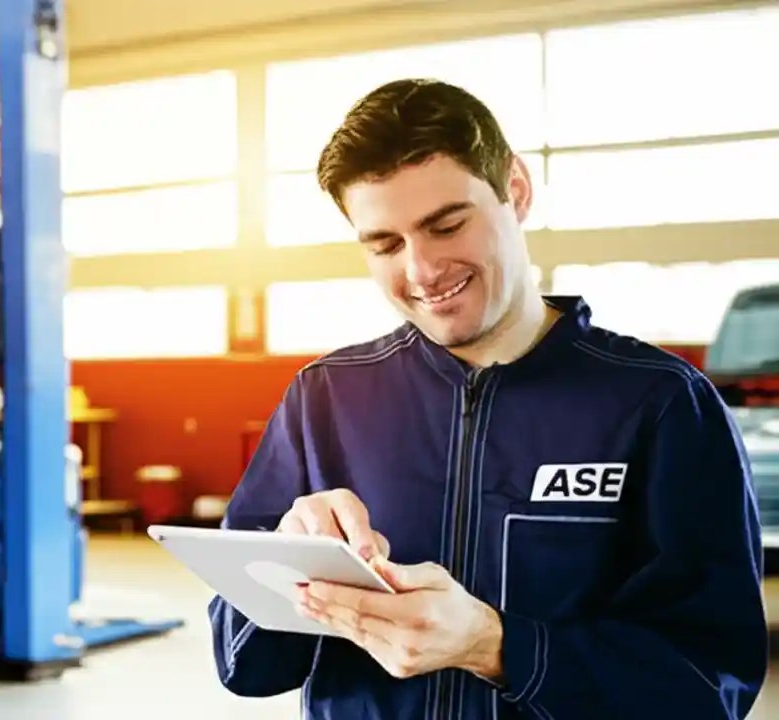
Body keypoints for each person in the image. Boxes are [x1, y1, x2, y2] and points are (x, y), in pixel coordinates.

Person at [208, 78, 768, 719]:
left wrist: (497, 647)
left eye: (445, 225)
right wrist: (286, 561)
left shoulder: (661, 404)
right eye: (385, 245)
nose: (421, 270)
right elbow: (240, 664)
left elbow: (707, 688)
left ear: (516, 190)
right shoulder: (325, 398)